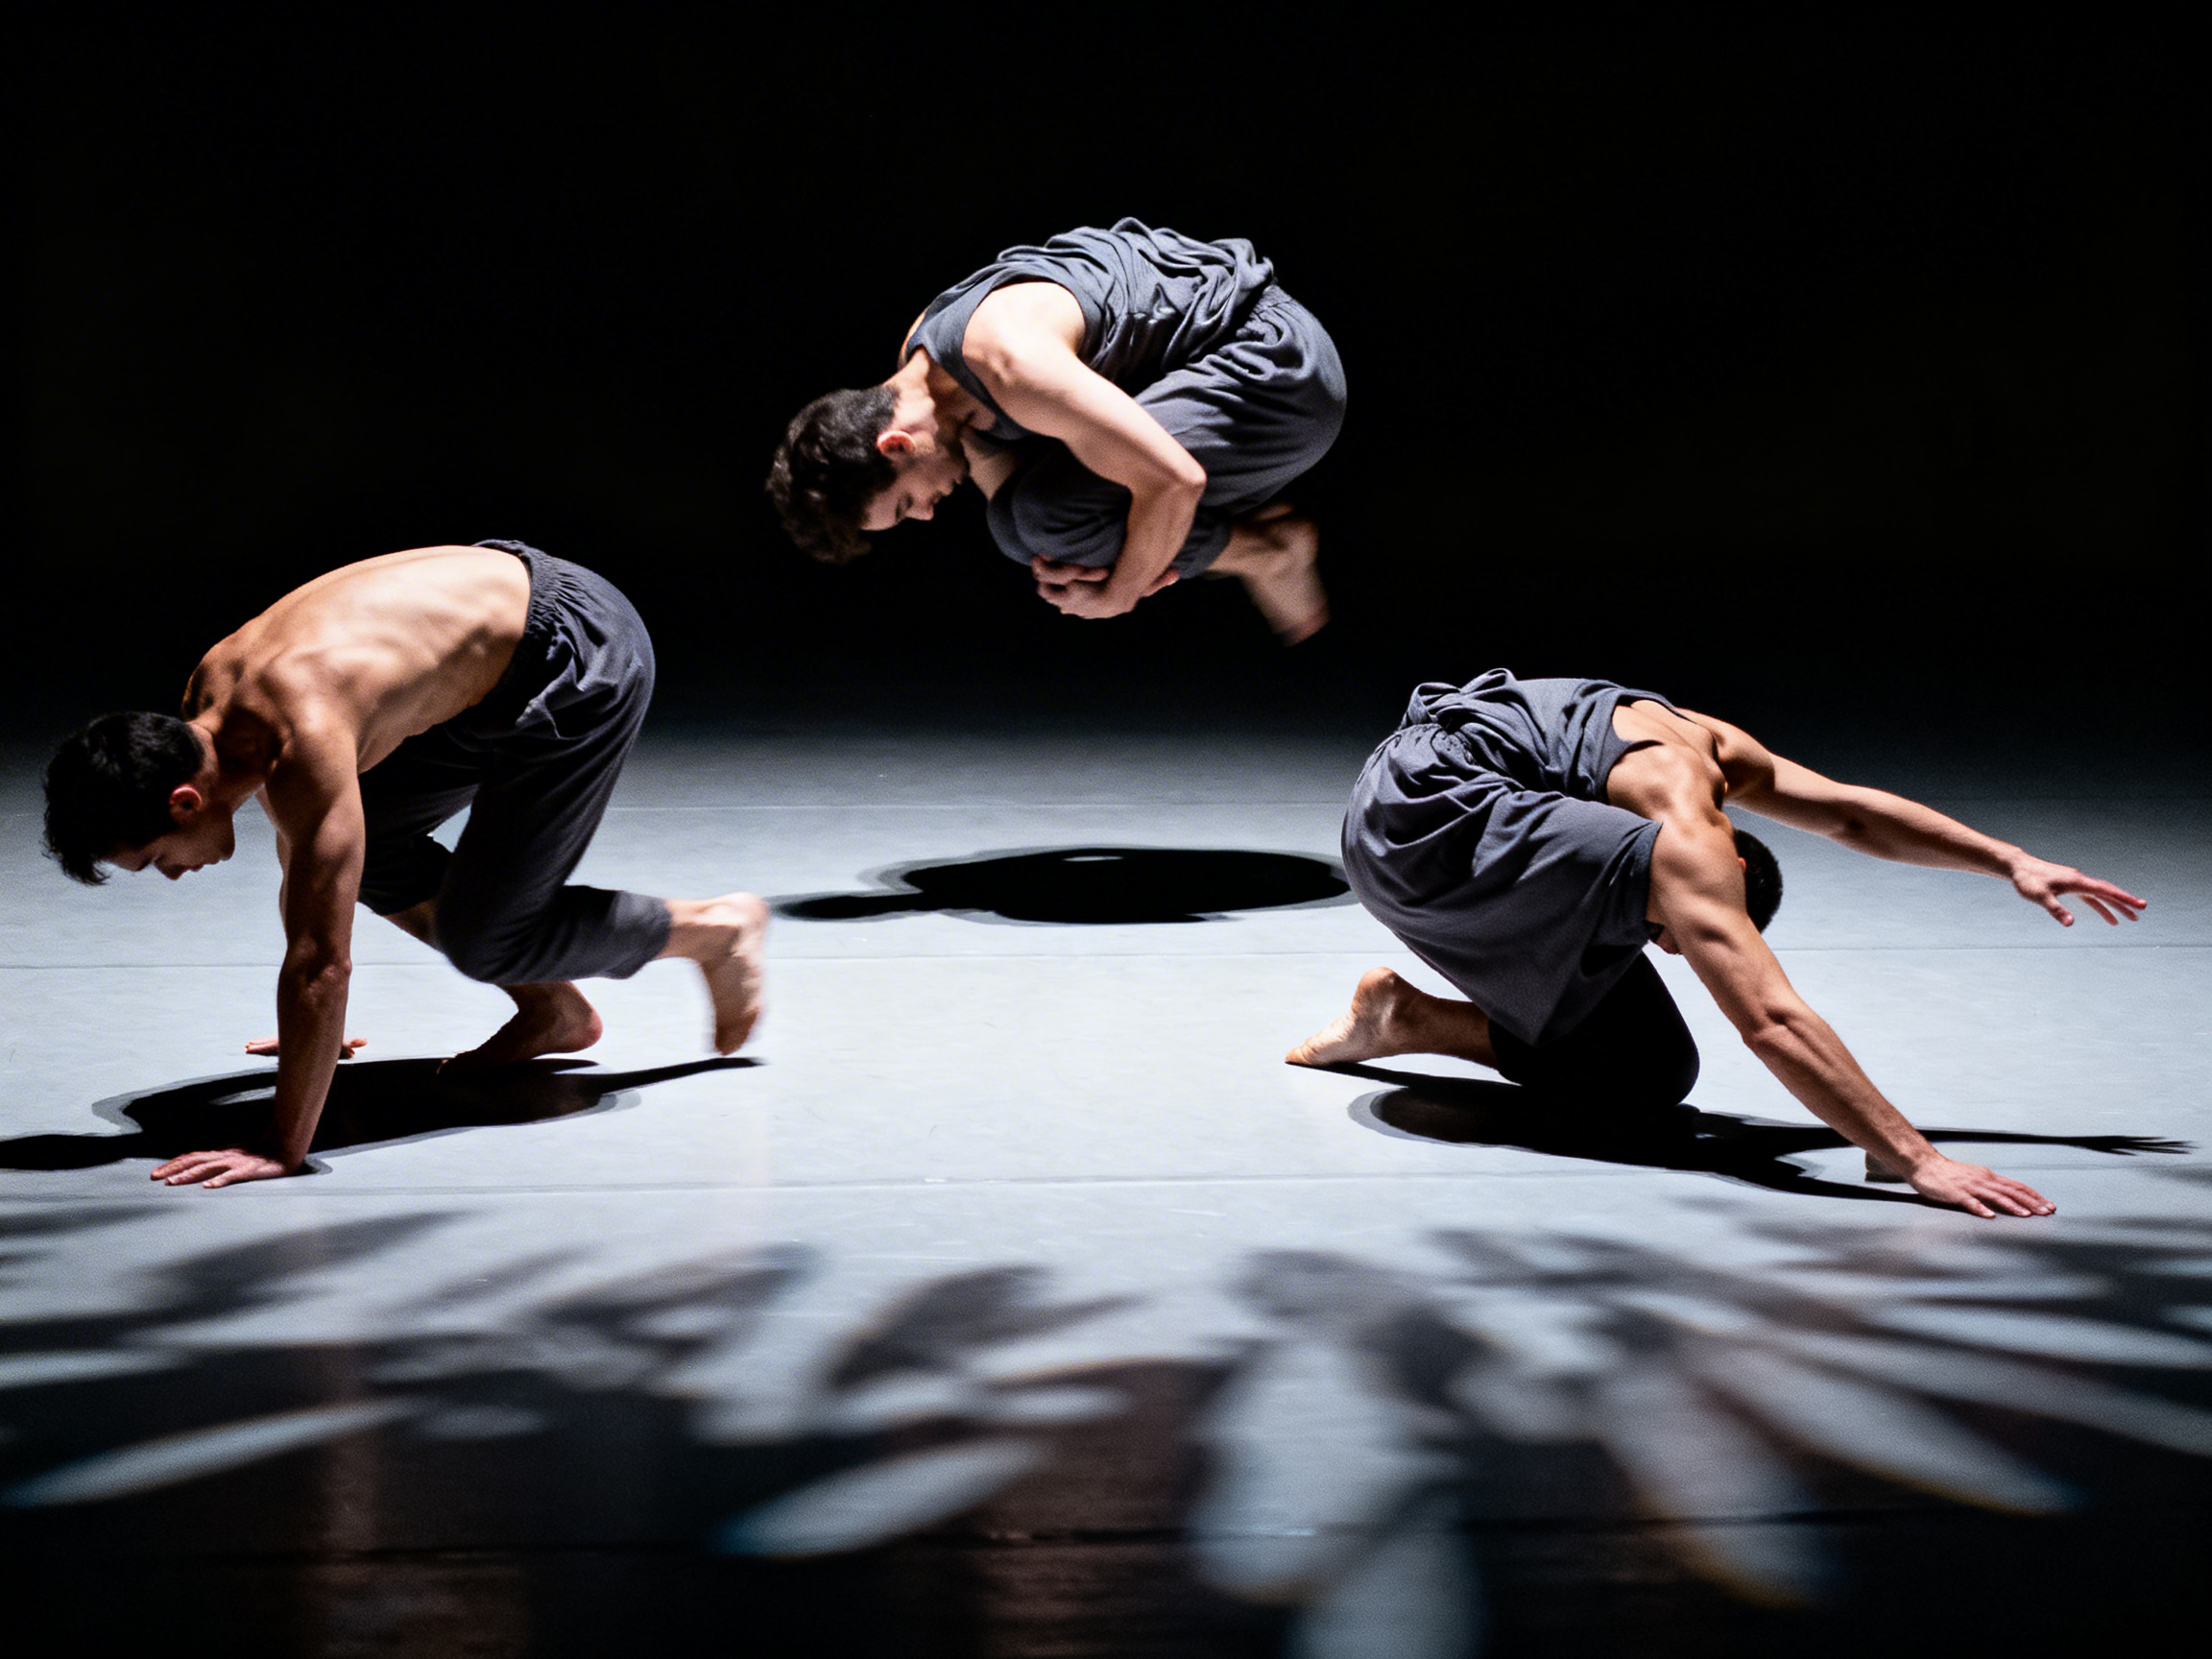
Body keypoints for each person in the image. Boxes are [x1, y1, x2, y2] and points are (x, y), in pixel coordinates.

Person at [1287, 671, 2147, 1218]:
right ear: (1722, 873)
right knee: (1642, 977)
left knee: (1648, 1074)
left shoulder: (1705, 745)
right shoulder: (1685, 840)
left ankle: (1406, 1019)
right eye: (1667, 934)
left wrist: (2010, 860)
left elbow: (1846, 811)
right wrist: (1912, 1158)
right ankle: (1416, 1015)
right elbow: (1768, 1018)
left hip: (1400, 801)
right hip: (1423, 836)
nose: (1658, 947)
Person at [41, 541, 767, 1189]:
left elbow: (320, 963)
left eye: (152, 860)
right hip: (496, 654)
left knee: (492, 938)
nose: (170, 874)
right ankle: (555, 1011)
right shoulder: (210, 710)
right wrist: (312, 1037)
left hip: (578, 656)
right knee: (372, 842)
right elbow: (308, 871)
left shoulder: (301, 732)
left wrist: (282, 1144)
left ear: (184, 802)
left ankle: (714, 929)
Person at [766, 219, 1347, 642]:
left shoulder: (1011, 363)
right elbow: (1021, 509)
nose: (926, 515)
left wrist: (1118, 595)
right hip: (1223, 362)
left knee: (1052, 519)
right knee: (1023, 530)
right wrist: (1064, 559)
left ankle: (1270, 552)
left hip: (1280, 370)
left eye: (904, 505)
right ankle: (1260, 545)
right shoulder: (926, 369)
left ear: (897, 444)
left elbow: (1175, 481)